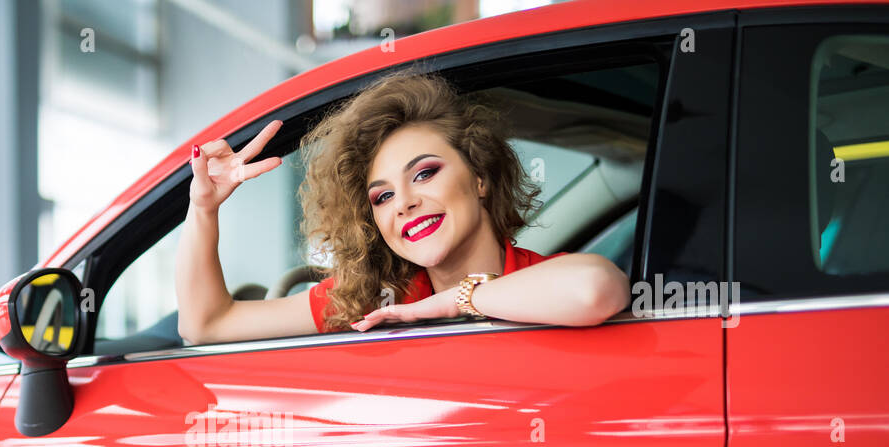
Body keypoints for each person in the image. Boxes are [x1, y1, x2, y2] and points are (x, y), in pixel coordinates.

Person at [175, 71, 630, 345]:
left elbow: (595, 289)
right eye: (383, 196)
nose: (405, 203)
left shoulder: (541, 280)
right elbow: (206, 325)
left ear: (480, 177)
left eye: (424, 173)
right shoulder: (376, 299)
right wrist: (203, 209)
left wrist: (454, 302)